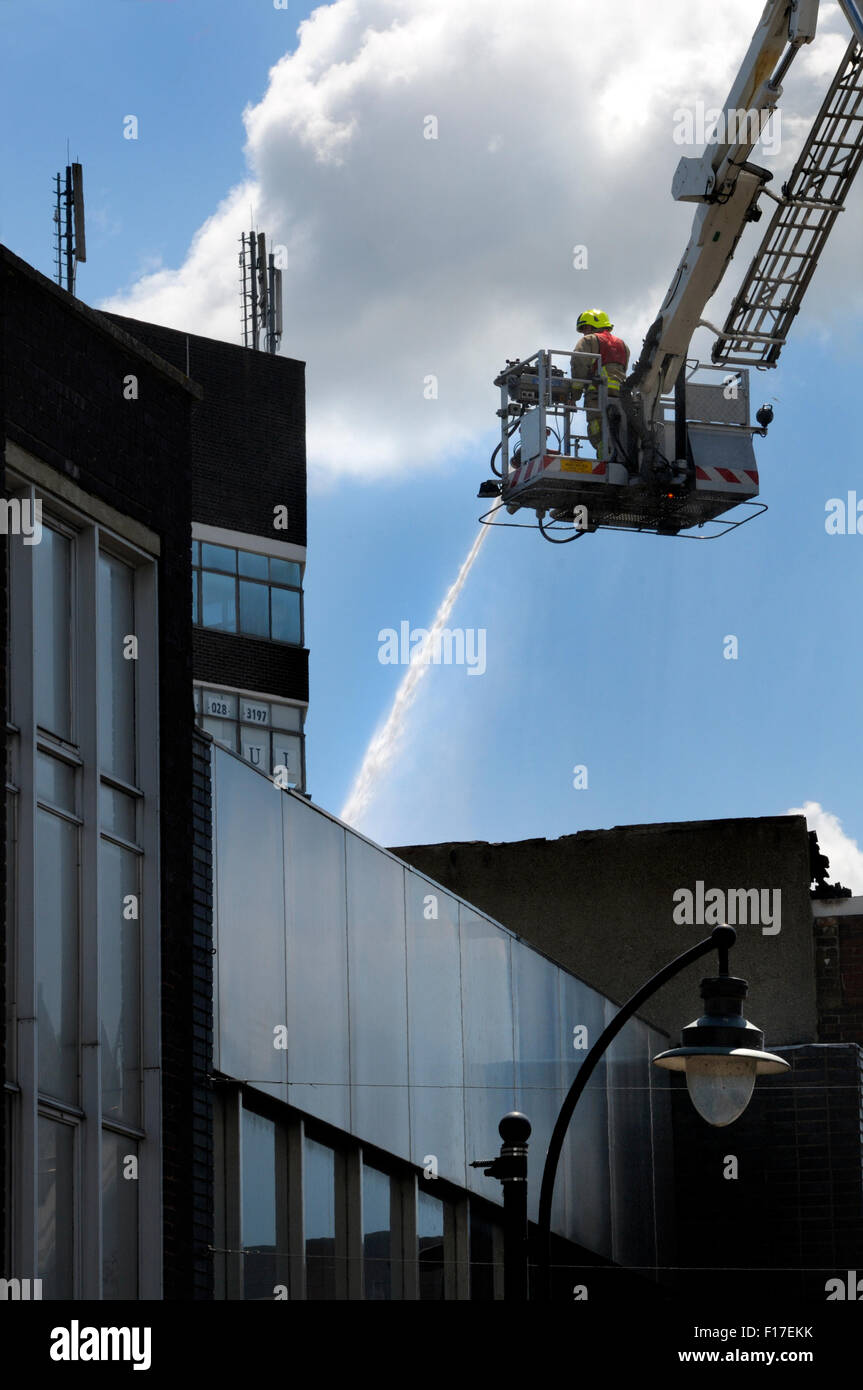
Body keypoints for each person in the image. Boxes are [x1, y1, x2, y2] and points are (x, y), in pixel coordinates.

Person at [570, 309, 630, 461]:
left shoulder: (588, 341)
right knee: (621, 432)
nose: (584, 332)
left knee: (599, 433)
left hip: (597, 394)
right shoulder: (623, 345)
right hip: (622, 398)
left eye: (585, 328)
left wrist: (574, 395)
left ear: (593, 325)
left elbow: (579, 365)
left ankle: (605, 463)